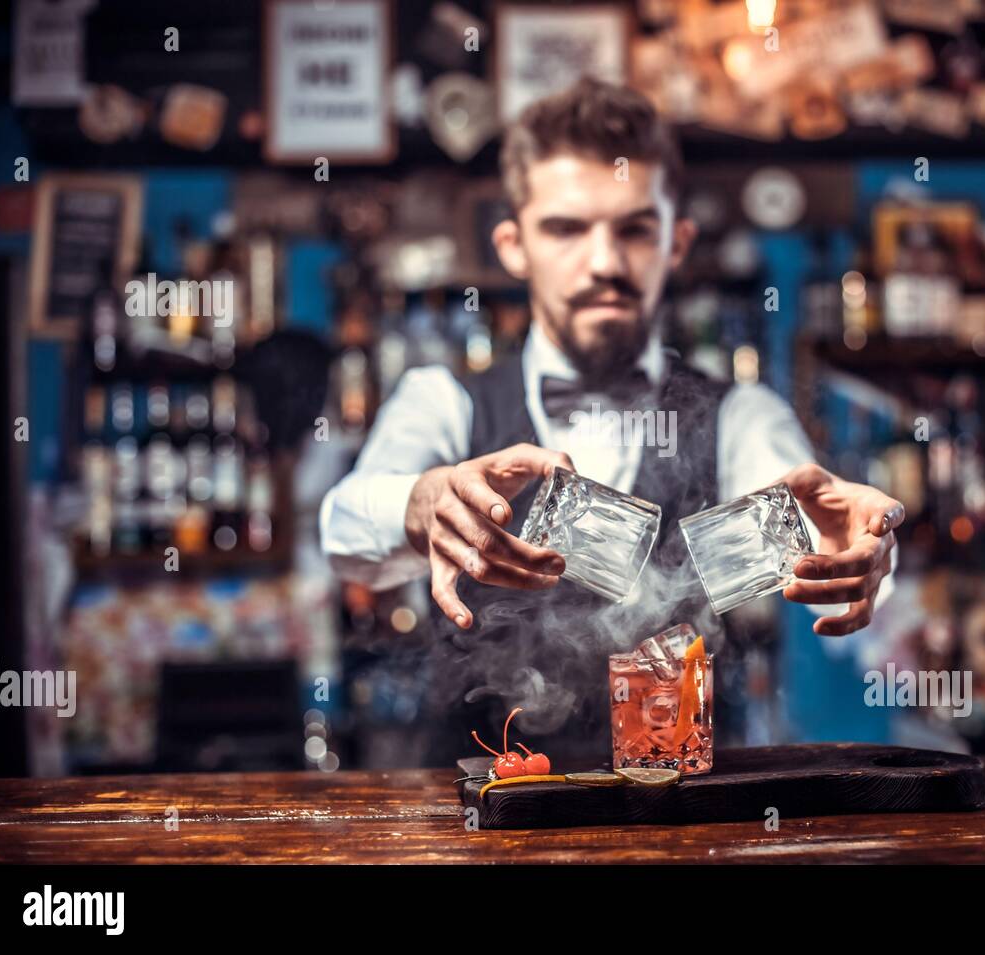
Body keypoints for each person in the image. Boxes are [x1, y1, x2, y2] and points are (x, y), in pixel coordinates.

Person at [320, 78, 903, 767]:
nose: (603, 262)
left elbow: (808, 516)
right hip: (481, 822)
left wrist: (850, 548)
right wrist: (419, 502)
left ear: (677, 242)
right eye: (566, 228)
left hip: (688, 829)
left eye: (634, 228)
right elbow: (343, 532)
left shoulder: (741, 415)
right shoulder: (444, 400)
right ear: (512, 244)